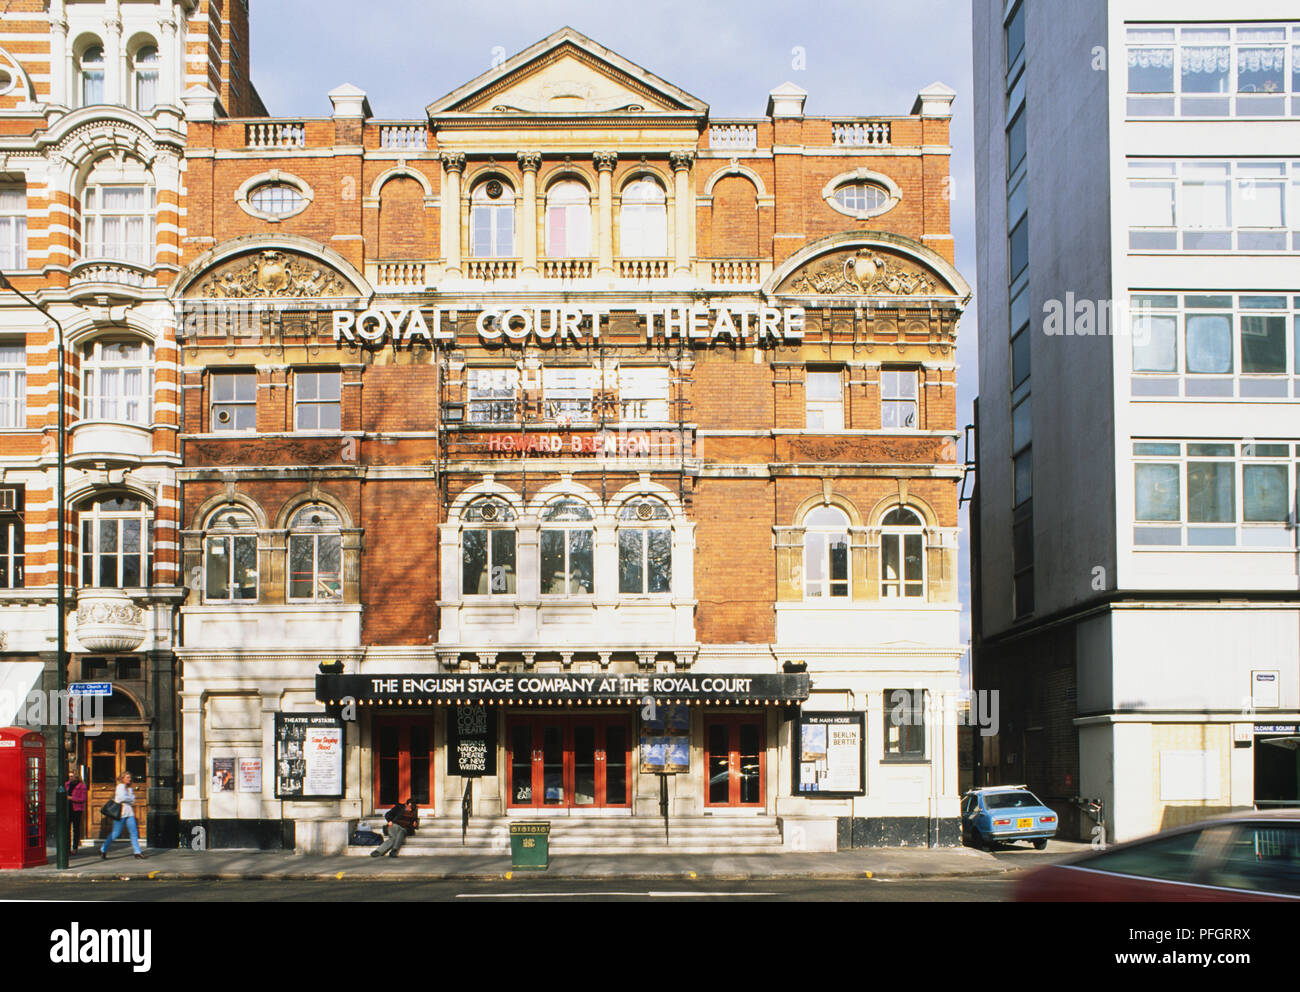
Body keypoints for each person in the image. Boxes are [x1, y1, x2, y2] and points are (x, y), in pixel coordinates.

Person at [100, 772, 145, 860]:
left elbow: (133, 801)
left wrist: (128, 799)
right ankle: (103, 848)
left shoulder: (130, 789)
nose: (129, 779)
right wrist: (129, 799)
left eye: (130, 777)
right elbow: (121, 798)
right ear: (123, 778)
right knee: (116, 833)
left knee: (134, 832)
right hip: (120, 813)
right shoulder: (120, 787)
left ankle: (137, 852)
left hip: (129, 813)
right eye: (127, 777)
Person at [65, 770, 87, 854]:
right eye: (69, 776)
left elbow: (82, 799)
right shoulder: (66, 784)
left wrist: (71, 798)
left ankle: (75, 847)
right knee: (67, 829)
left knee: (76, 829)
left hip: (77, 809)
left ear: (76, 777)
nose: (70, 778)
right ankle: (67, 847)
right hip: (68, 809)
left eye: (71, 776)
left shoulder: (82, 786)